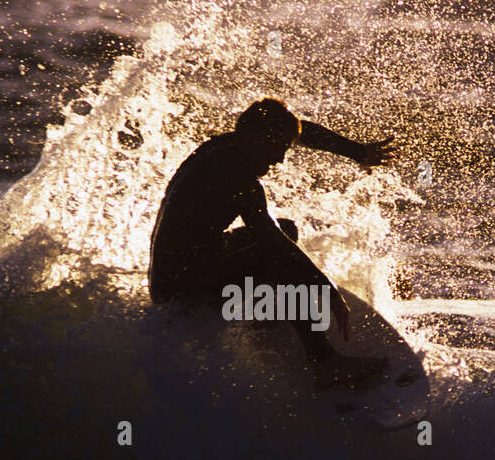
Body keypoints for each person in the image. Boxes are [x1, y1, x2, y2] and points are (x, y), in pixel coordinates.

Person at [149, 98, 396, 388]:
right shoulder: (237, 178)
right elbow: (274, 245)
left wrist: (357, 151)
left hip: (188, 266)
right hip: (179, 291)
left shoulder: (226, 146)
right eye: (278, 149)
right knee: (276, 256)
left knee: (286, 230)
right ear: (257, 139)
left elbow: (303, 133)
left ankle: (262, 316)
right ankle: (326, 364)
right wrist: (326, 289)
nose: (280, 160)